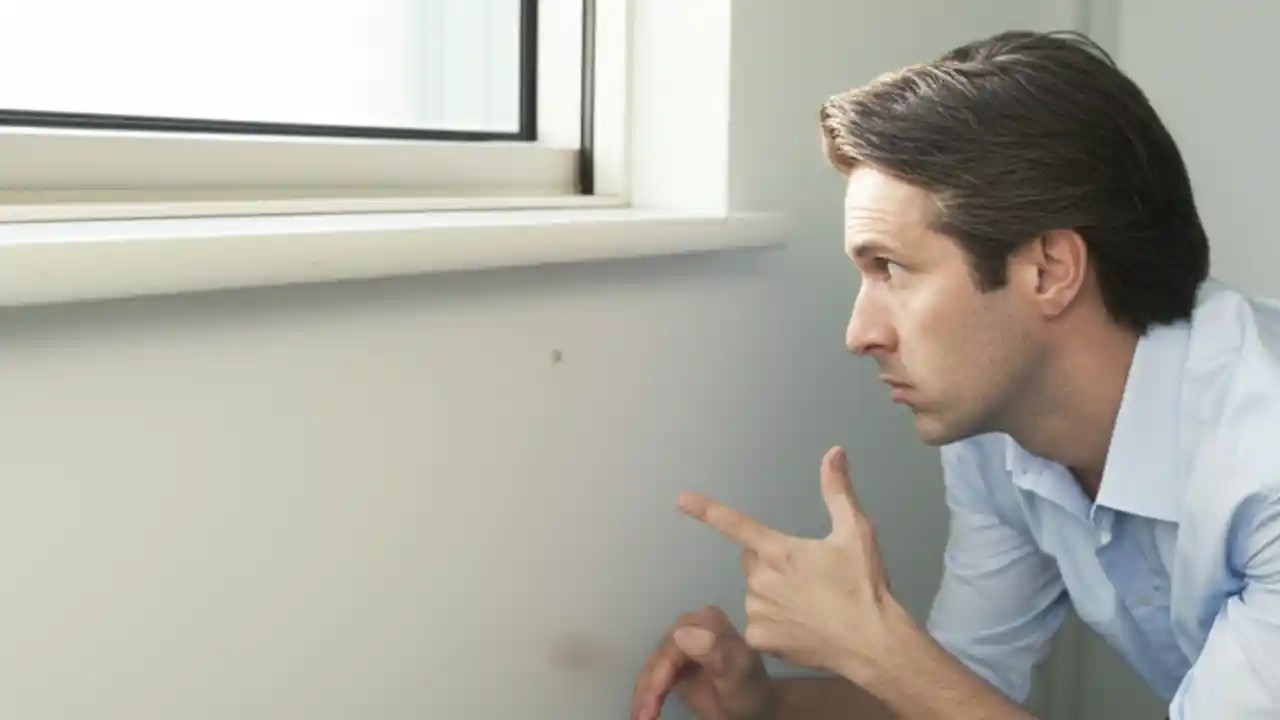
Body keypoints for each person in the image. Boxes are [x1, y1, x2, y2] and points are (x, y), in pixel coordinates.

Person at [630, 29, 1280, 720]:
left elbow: (925, 685)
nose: (859, 334)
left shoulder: (1262, 458)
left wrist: (873, 644)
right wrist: (770, 701)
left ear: (1048, 271)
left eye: (890, 268)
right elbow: (956, 691)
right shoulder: (1002, 434)